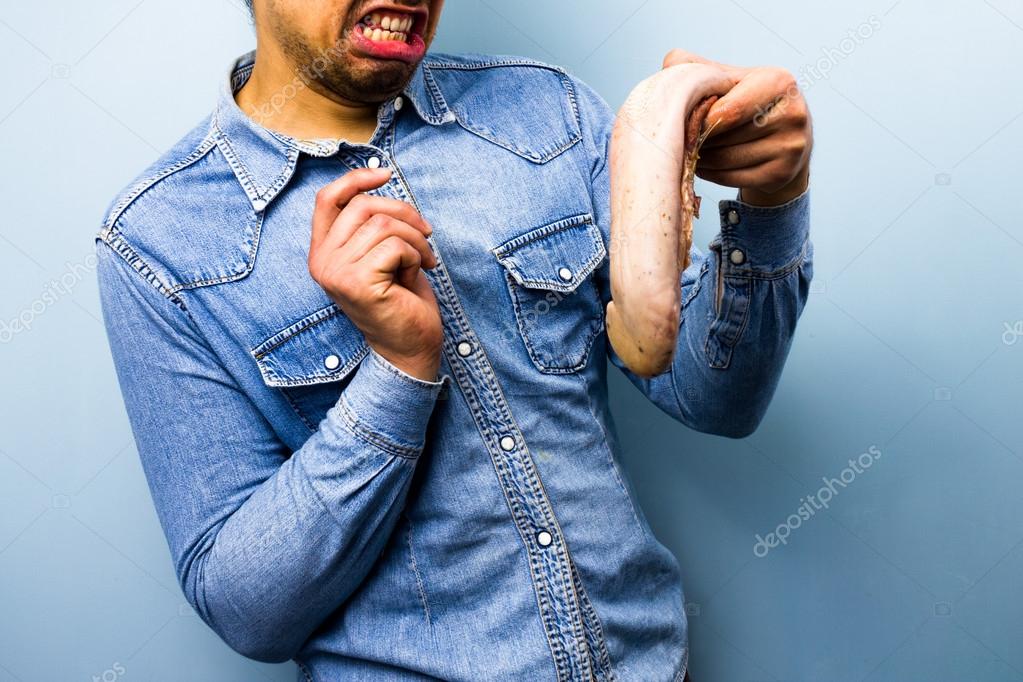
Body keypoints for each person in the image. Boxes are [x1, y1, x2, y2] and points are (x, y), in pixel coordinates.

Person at [95, 1, 813, 679]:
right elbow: (248, 614)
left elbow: (717, 400)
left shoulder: (550, 114)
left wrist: (772, 203)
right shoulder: (158, 245)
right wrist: (400, 370)